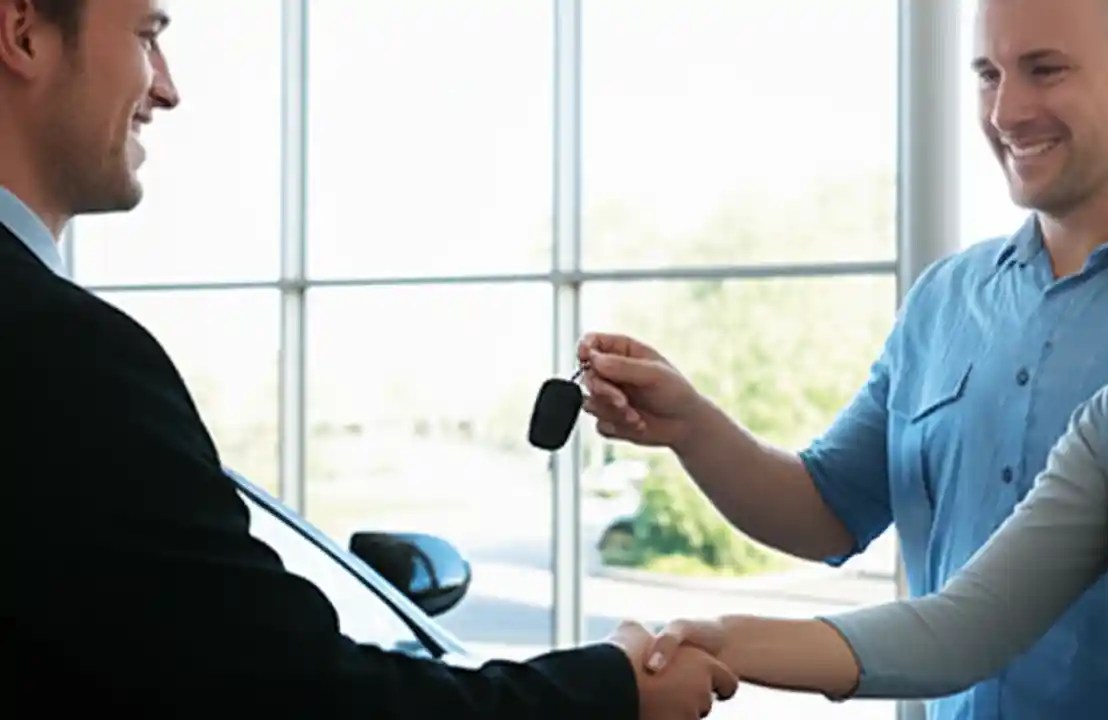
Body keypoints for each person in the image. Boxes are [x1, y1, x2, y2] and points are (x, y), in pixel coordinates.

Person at [0, 1, 739, 718]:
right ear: (24, 32)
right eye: (145, 36)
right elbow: (287, 690)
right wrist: (612, 691)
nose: (167, 86)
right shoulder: (63, 351)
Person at [577, 0, 1108, 718]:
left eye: (1044, 70)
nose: (1006, 111)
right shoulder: (946, 302)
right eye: (988, 74)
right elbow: (846, 525)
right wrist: (691, 426)